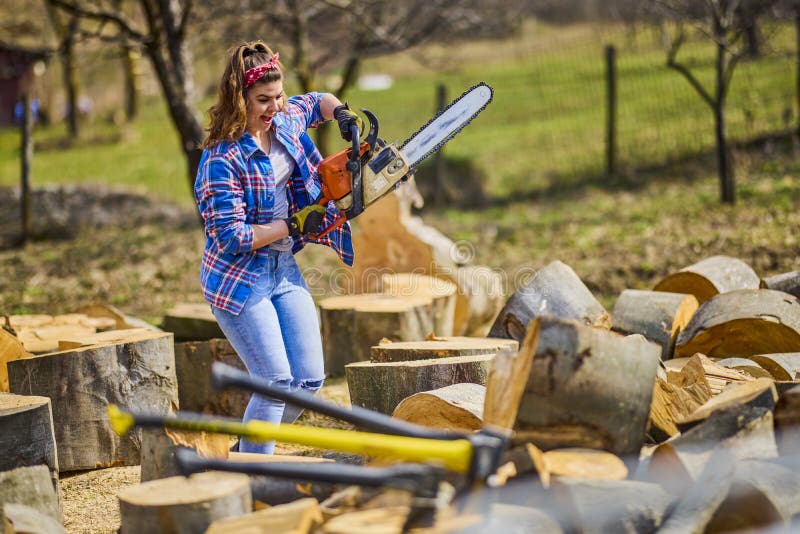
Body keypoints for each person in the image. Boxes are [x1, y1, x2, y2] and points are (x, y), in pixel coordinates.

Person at [194, 41, 362, 454]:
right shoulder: (221, 160)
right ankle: (254, 476)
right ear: (239, 99)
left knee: (307, 382)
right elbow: (230, 236)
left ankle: (246, 450)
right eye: (262, 100)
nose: (274, 107)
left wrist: (340, 113)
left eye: (278, 96)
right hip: (238, 279)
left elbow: (317, 101)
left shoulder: (285, 121)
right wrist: (290, 223)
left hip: (282, 268)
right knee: (274, 383)